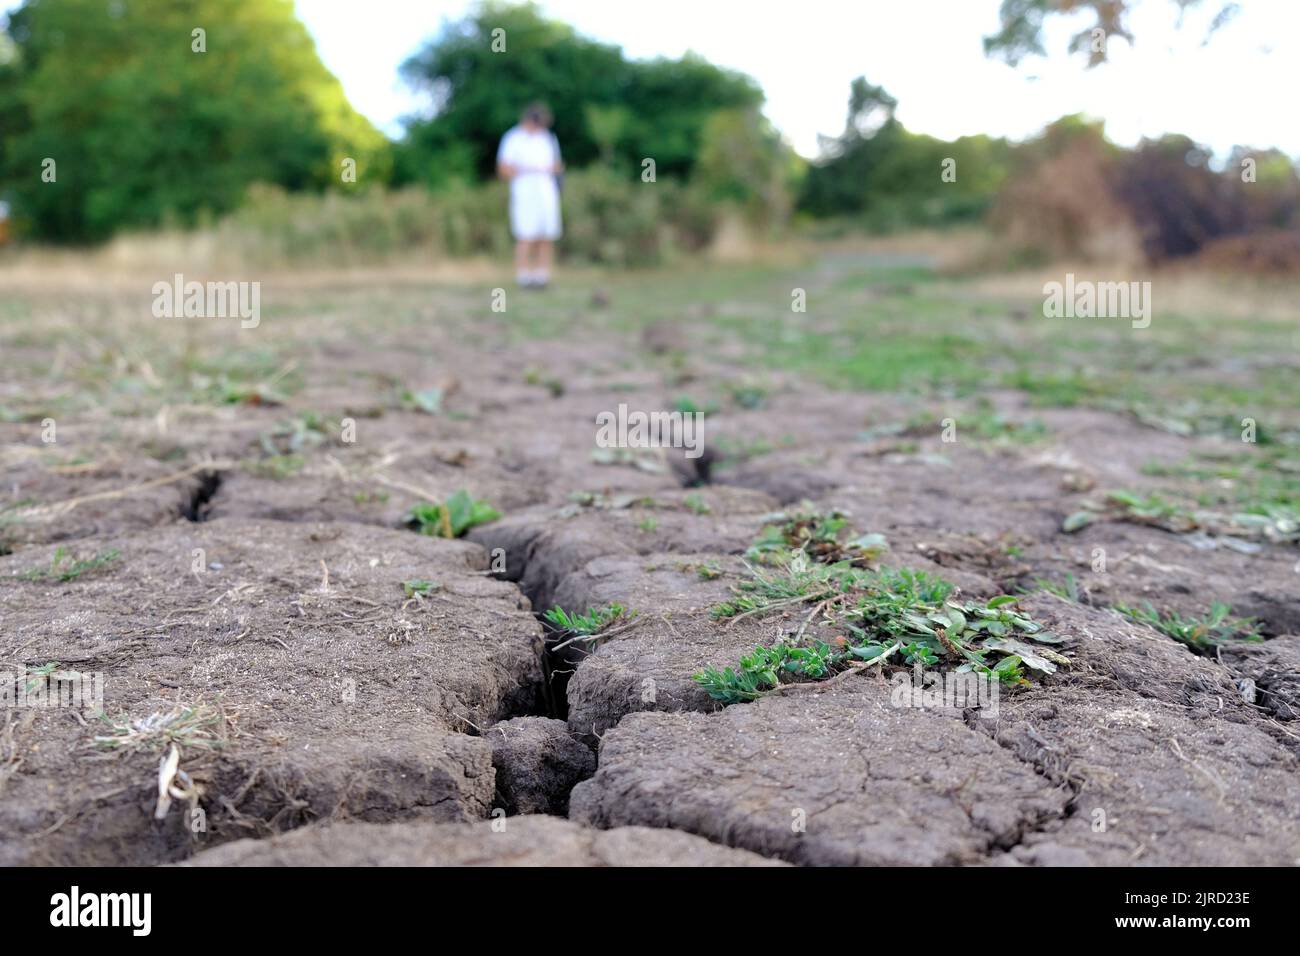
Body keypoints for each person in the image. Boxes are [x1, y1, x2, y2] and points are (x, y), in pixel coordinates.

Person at [496, 103, 563, 288]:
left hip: (547, 192)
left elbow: (557, 166)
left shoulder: (547, 138)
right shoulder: (513, 138)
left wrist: (550, 171)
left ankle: (542, 276)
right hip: (524, 193)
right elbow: (503, 170)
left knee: (546, 234)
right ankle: (524, 277)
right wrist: (528, 169)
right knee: (525, 234)